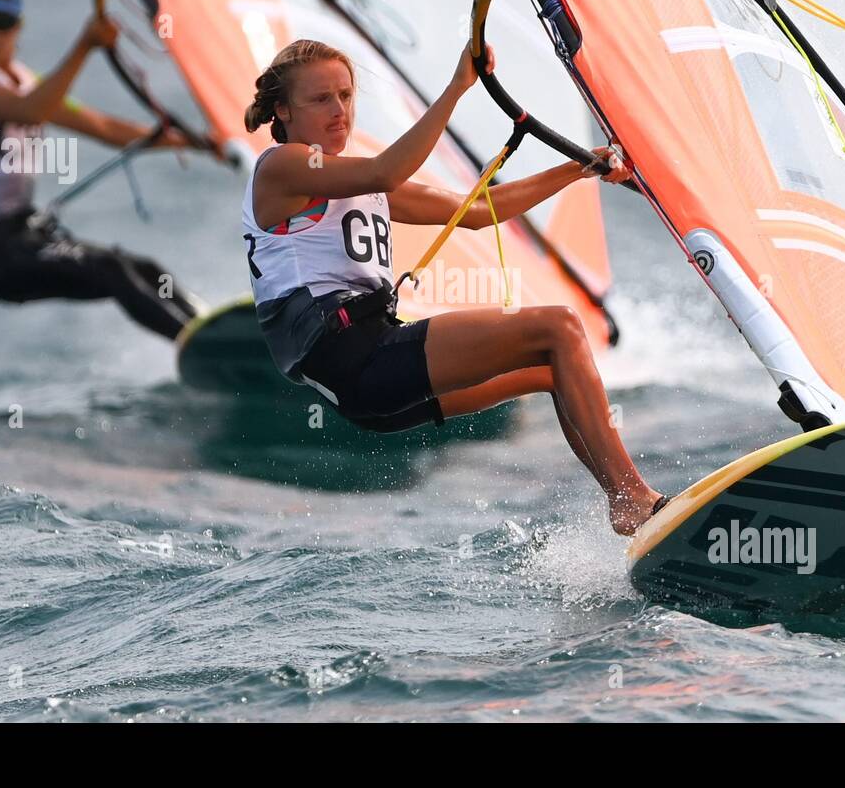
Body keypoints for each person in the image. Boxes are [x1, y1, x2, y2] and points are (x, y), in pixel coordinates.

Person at [243, 39, 669, 534]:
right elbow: (383, 168)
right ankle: (633, 497)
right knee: (559, 327)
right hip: (352, 356)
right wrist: (457, 87)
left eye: (346, 95)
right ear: (282, 109)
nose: (339, 111)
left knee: (556, 367)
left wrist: (578, 168)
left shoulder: (358, 184)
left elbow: (480, 211)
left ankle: (626, 507)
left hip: (370, 381)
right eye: (321, 99)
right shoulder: (283, 165)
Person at [0, 0, 205, 340]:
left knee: (145, 268)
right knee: (112, 271)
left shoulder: (27, 83)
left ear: (18, 27)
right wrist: (84, 45)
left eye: (3, 24)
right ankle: (194, 343)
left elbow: (104, 127)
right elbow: (31, 110)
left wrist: (198, 142)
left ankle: (208, 326)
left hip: (23, 235)